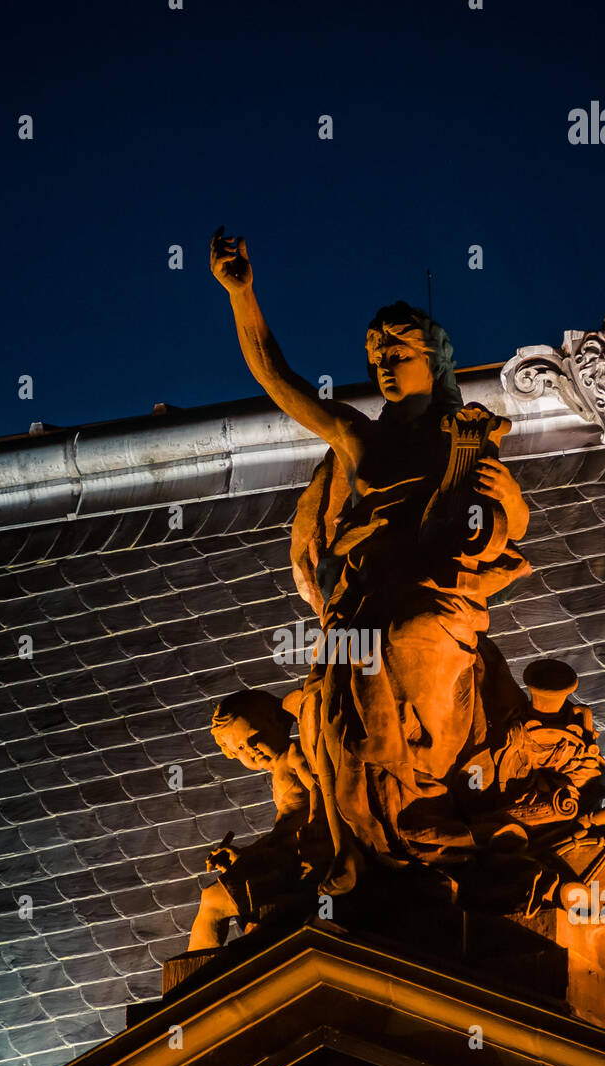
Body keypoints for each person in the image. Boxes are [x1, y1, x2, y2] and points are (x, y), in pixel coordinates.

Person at [210, 228, 532, 896]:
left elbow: (497, 528)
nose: (384, 362)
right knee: (339, 707)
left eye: (400, 350)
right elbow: (276, 376)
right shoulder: (358, 438)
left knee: (395, 640)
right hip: (363, 600)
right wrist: (243, 294)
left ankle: (414, 827)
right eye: (375, 351)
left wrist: (506, 506)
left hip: (436, 601)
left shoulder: (464, 436)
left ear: (434, 359)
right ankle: (367, 841)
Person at [187, 689, 322, 950]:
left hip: (296, 856)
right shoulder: (280, 768)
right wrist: (244, 855)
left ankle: (195, 980)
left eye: (254, 738)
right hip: (284, 854)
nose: (251, 750)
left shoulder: (295, 754)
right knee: (217, 903)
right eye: (239, 748)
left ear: (278, 722)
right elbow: (283, 830)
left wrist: (317, 837)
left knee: (213, 901)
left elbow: (319, 790)